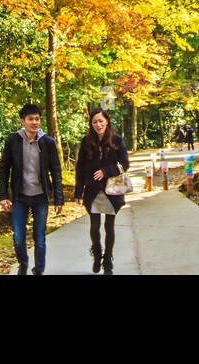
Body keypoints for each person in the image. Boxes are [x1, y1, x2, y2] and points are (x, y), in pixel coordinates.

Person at [0, 103, 63, 275]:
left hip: (41, 196)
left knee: (39, 238)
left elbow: (56, 170)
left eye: (37, 119)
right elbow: (4, 169)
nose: (34, 122)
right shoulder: (13, 141)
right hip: (20, 196)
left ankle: (39, 269)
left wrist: (58, 198)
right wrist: (3, 196)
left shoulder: (47, 142)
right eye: (30, 119)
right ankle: (23, 262)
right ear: (22, 121)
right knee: (18, 237)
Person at [73, 107, 130, 274]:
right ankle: (97, 254)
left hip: (111, 190)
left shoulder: (117, 141)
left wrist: (107, 171)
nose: (98, 125)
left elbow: (124, 164)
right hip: (92, 190)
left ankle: (108, 260)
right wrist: (78, 192)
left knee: (109, 225)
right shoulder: (86, 142)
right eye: (95, 122)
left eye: (101, 121)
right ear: (91, 124)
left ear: (107, 121)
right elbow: (80, 168)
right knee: (94, 225)